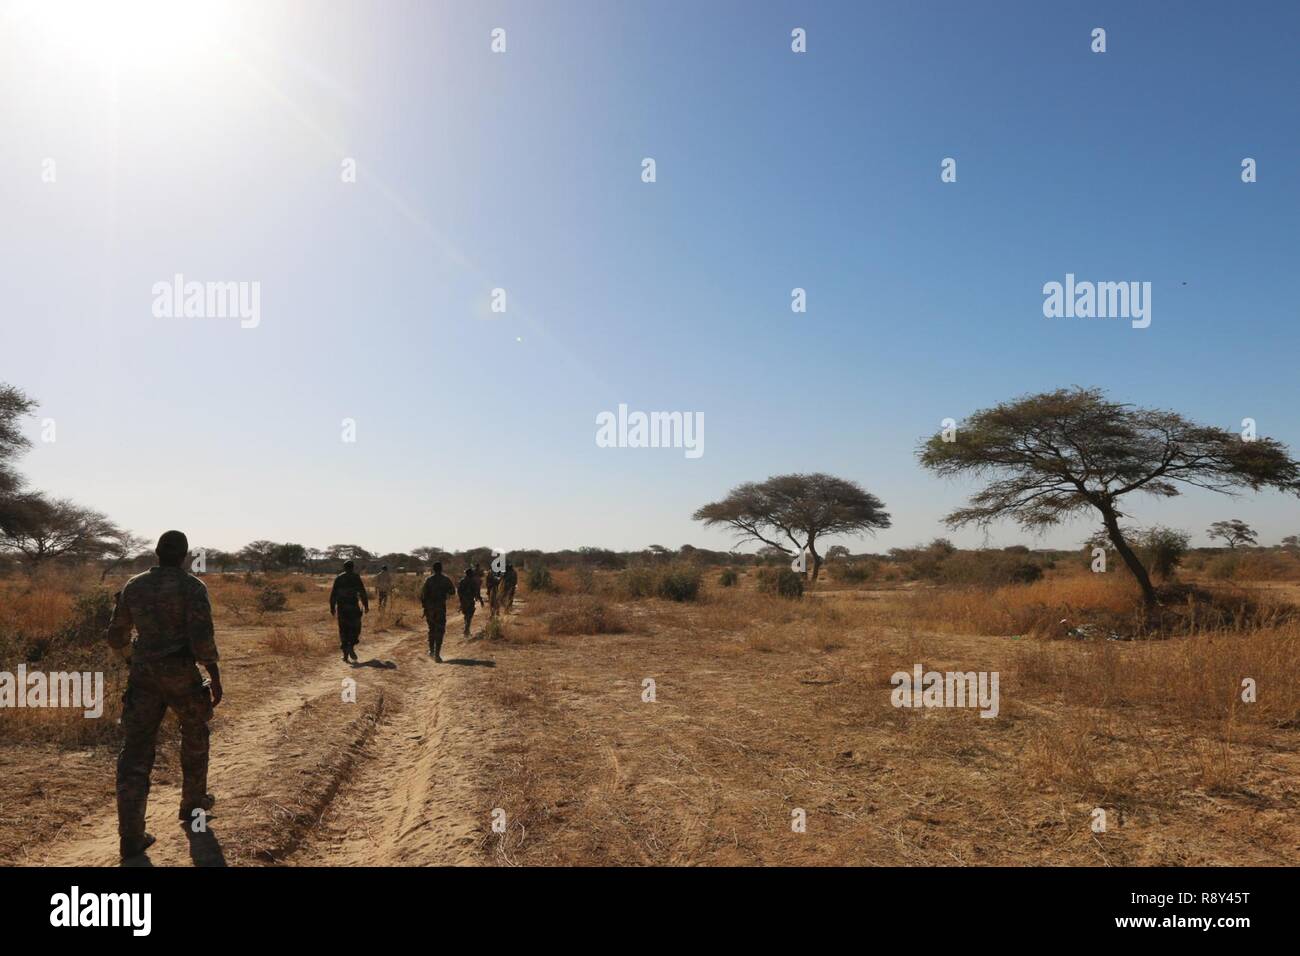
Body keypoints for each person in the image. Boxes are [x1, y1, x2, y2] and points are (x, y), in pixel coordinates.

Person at [104, 530, 221, 861]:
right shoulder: (193, 587)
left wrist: (133, 660)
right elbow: (202, 640)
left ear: (156, 551)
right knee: (195, 736)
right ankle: (193, 804)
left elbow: (115, 636)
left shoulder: (134, 585)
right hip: (182, 674)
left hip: (144, 677)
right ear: (184, 555)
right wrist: (213, 675)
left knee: (135, 752)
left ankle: (131, 836)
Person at [329, 560, 369, 663]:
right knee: (355, 628)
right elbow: (362, 592)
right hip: (353, 607)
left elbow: (333, 594)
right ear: (353, 567)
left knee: (343, 630)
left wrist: (332, 607)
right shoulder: (356, 577)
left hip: (342, 608)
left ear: (344, 567)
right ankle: (351, 645)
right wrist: (366, 605)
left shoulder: (339, 578)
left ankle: (345, 655)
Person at [419, 561, 456, 662]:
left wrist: (425, 607)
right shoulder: (446, 579)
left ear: (433, 569)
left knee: (431, 629)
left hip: (430, 608)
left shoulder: (428, 579)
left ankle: (431, 651)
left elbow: (423, 595)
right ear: (441, 568)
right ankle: (437, 654)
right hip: (440, 608)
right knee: (440, 630)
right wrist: (444, 592)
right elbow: (452, 591)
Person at [457, 567, 479, 637]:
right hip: (470, 600)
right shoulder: (473, 581)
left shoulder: (462, 581)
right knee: (469, 615)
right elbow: (476, 591)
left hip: (463, 601)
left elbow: (459, 592)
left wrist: (461, 600)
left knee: (466, 615)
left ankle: (466, 629)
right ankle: (466, 630)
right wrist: (476, 597)